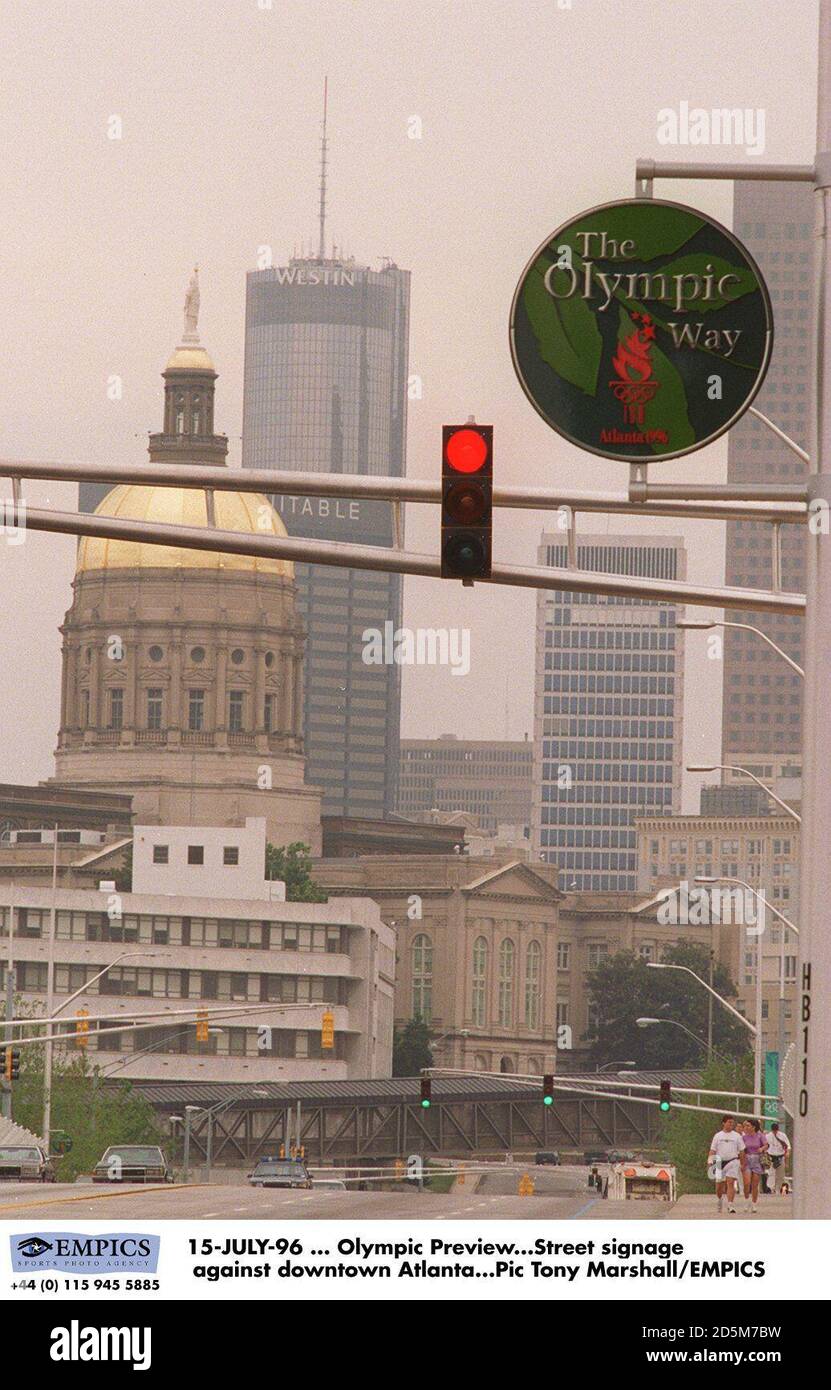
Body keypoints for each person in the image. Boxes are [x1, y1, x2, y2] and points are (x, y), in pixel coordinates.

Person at [708, 1115, 745, 1215]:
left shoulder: (737, 1136)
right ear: (723, 1123)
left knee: (730, 1182)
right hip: (719, 1162)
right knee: (719, 1186)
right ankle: (720, 1199)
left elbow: (742, 1151)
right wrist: (710, 1162)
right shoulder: (718, 1136)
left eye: (732, 1123)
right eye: (729, 1122)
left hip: (733, 1161)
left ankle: (730, 1205)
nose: (731, 1124)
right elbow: (712, 1150)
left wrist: (742, 1163)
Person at [741, 1119, 768, 1212]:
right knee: (746, 1183)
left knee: (755, 1184)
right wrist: (742, 1162)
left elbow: (766, 1145)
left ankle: (754, 1204)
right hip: (747, 1159)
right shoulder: (744, 1137)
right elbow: (741, 1150)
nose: (746, 1128)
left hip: (757, 1160)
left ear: (753, 1127)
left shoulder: (760, 1135)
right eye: (746, 1126)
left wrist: (762, 1148)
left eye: (748, 1126)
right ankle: (746, 1201)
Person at [766, 1122, 791, 1194]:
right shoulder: (768, 1136)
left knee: (780, 1175)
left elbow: (788, 1146)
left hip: (780, 1156)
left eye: (776, 1130)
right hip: (771, 1157)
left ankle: (778, 1189)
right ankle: (771, 1188)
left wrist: (788, 1152)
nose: (775, 1131)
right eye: (773, 1130)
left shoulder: (783, 1136)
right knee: (771, 1173)